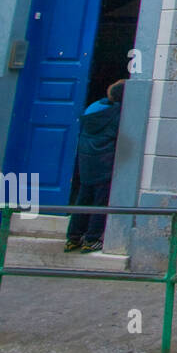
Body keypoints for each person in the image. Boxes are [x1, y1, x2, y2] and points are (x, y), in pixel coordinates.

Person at [65, 79, 125, 253]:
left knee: (83, 199)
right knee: (101, 202)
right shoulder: (117, 114)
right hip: (105, 164)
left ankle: (73, 237)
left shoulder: (93, 108)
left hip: (86, 163)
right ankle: (92, 240)